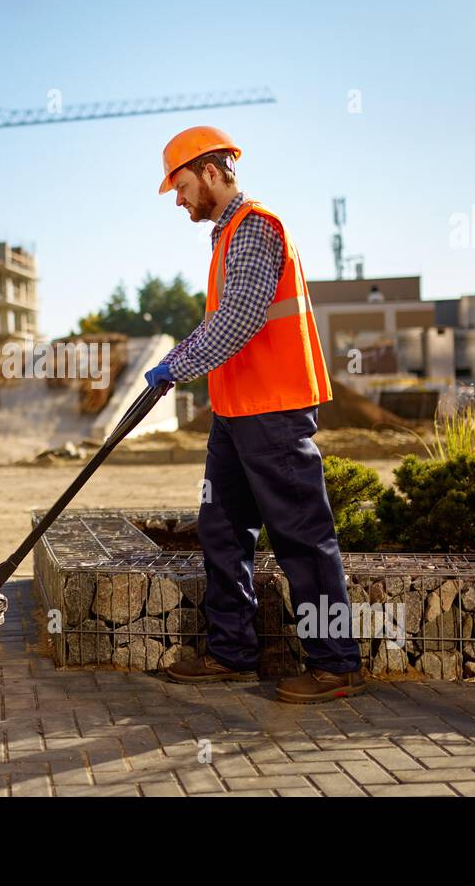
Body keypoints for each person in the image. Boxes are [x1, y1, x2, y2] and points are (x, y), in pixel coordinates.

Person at [146, 126, 364, 703]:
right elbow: (225, 323)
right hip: (237, 411)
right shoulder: (225, 238)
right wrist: (178, 362)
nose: (179, 198)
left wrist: (175, 366)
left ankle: (336, 663)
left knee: (301, 537)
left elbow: (238, 322)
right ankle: (232, 654)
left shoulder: (254, 228)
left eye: (183, 184)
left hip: (274, 411)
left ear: (213, 172)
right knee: (221, 529)